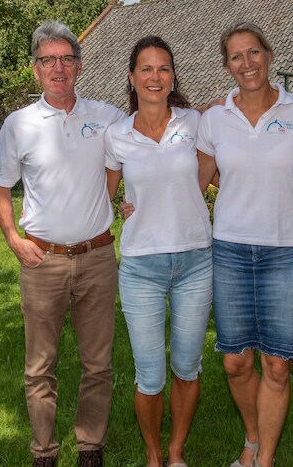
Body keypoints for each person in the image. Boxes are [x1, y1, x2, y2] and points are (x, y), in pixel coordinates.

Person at [0, 20, 126, 467]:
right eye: (48, 60)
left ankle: (90, 447)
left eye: (67, 59)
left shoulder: (105, 117)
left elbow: (133, 152)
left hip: (98, 258)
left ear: (80, 66)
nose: (58, 68)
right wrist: (14, 239)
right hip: (42, 261)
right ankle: (44, 452)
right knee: (39, 367)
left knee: (98, 364)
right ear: (35, 70)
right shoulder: (19, 124)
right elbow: (0, 187)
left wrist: (105, 208)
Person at [196, 21, 293, 467]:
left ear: (269, 56)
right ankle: (251, 438)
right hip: (229, 249)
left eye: (254, 53)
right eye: (236, 56)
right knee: (235, 362)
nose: (246, 63)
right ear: (227, 65)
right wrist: (137, 202)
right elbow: (191, 181)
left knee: (276, 364)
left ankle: (263, 459)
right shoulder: (214, 119)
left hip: (286, 251)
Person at [103, 36, 212, 467]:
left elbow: (219, 169)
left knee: (187, 367)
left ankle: (176, 451)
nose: (154, 76)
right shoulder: (116, 135)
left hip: (195, 262)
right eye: (145, 69)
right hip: (141, 266)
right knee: (149, 376)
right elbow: (103, 193)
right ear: (132, 78)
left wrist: (181, 195)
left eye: (163, 69)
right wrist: (121, 205)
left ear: (172, 77)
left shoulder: (196, 123)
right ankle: (152, 456)